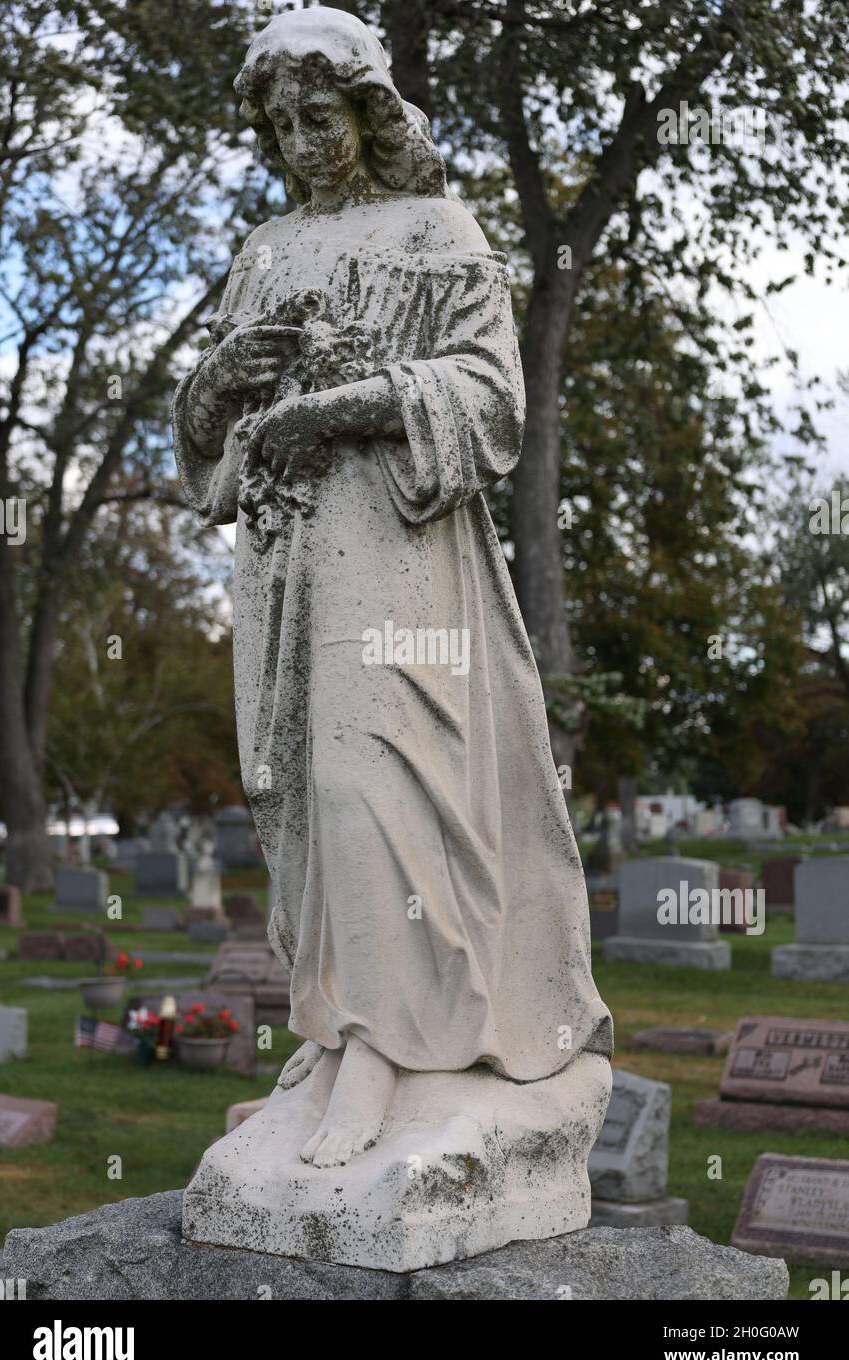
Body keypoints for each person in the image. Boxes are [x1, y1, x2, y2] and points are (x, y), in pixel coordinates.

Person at [172, 7, 612, 1169]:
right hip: (281, 553)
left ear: (368, 113)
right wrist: (216, 380)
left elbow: (493, 400)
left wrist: (351, 403)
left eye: (318, 116)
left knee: (364, 770)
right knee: (292, 789)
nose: (299, 142)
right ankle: (326, 1022)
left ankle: (388, 1042)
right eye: (276, 124)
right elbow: (204, 444)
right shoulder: (264, 249)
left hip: (397, 547)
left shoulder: (439, 231)